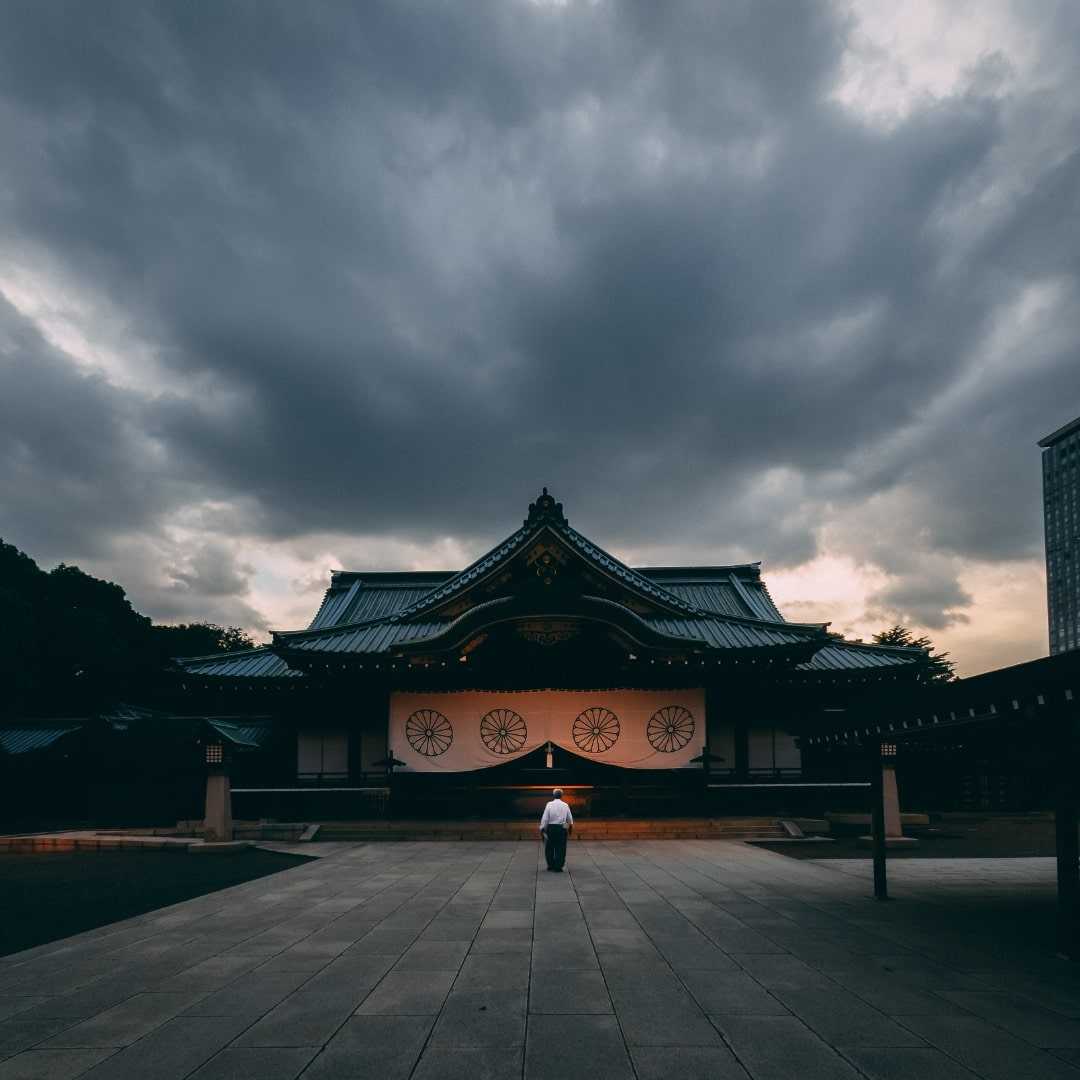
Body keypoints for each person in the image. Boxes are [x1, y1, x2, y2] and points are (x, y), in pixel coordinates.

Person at [539, 788, 573, 871]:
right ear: (561, 796)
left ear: (553, 795)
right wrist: (569, 830)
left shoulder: (549, 804)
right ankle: (558, 866)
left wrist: (542, 828)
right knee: (561, 848)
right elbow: (569, 820)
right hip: (562, 828)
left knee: (549, 847)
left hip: (551, 828)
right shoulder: (565, 805)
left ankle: (551, 865)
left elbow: (545, 818)